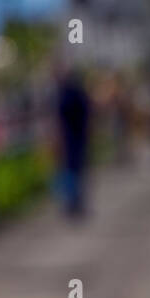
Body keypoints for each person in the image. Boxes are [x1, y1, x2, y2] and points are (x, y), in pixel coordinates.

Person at [54, 67, 91, 217]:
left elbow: (60, 120)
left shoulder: (66, 96)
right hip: (78, 138)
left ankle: (72, 203)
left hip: (70, 140)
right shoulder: (79, 94)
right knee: (77, 172)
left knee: (71, 172)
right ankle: (75, 202)